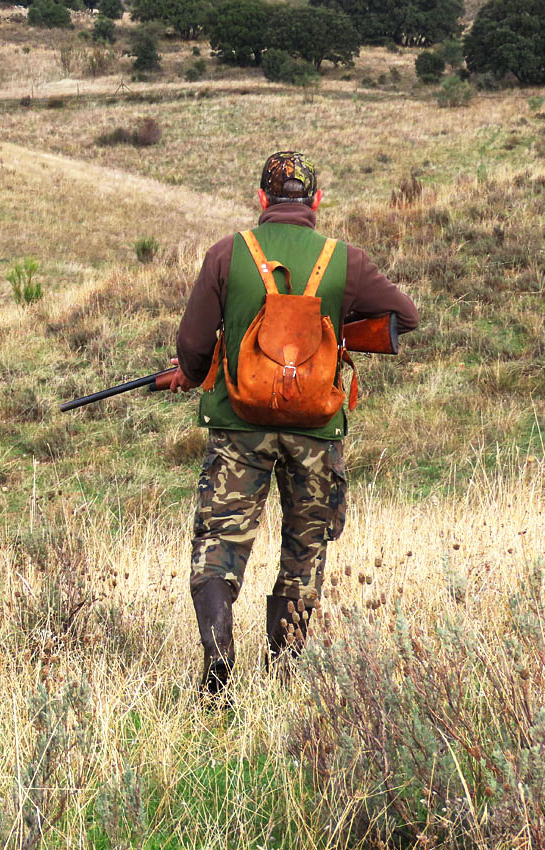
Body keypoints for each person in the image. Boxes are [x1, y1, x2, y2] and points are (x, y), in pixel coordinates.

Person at [168, 151, 419, 697]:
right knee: (306, 548)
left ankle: (218, 653)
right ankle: (283, 677)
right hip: (316, 432)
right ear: (316, 201)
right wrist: (337, 326)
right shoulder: (346, 261)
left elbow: (192, 345)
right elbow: (407, 316)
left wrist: (190, 371)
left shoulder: (225, 254)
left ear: (261, 199)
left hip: (238, 425)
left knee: (219, 539)